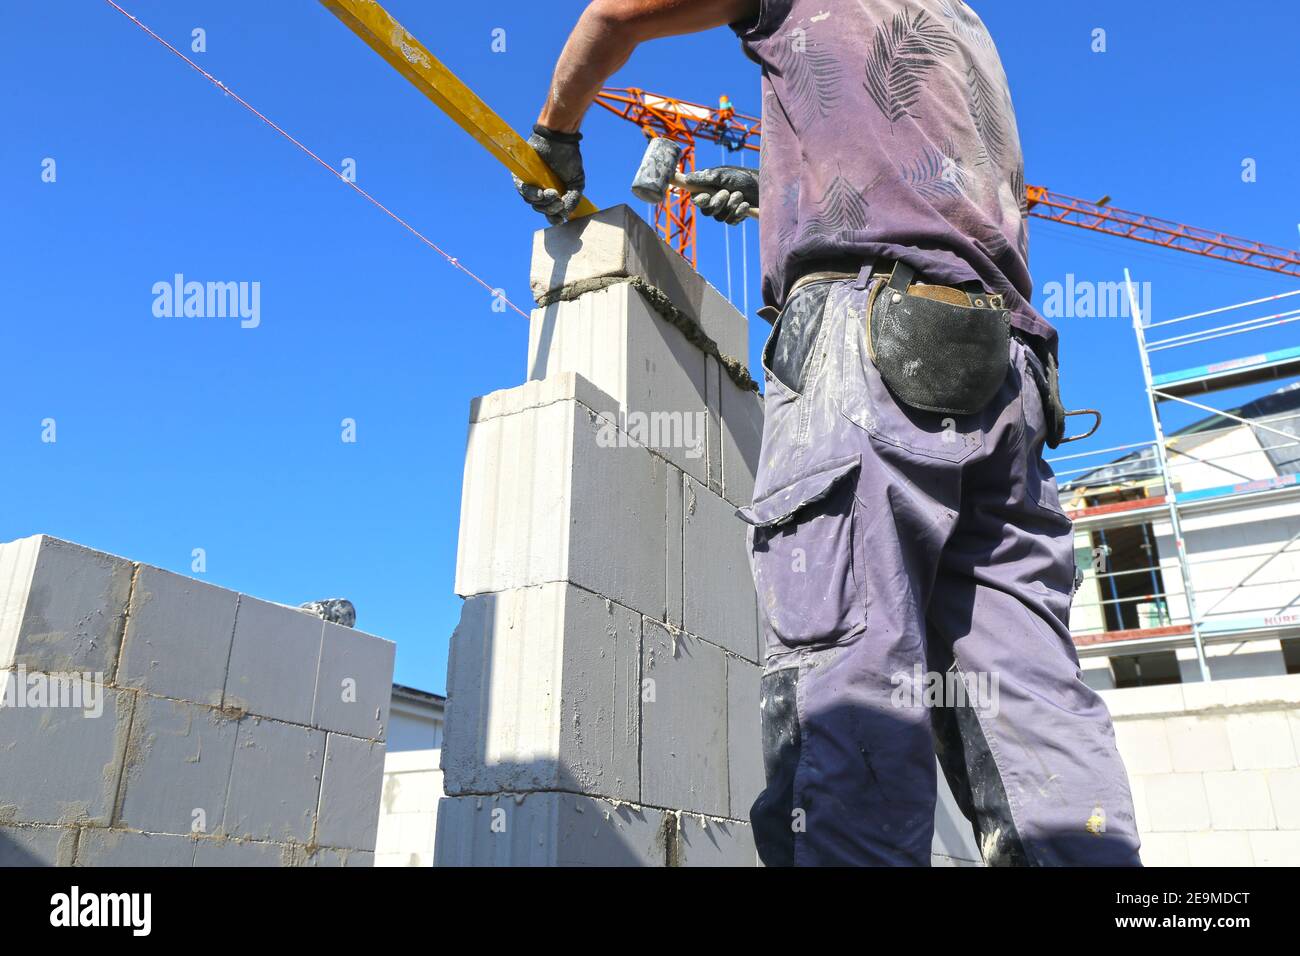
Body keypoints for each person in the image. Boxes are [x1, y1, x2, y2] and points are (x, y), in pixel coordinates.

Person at [515, 0, 1141, 867]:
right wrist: (781, 189)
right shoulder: (962, 22)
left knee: (851, 687)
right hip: (1007, 373)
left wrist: (556, 130)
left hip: (872, 350)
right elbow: (909, 167)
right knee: (1031, 703)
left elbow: (617, 13)